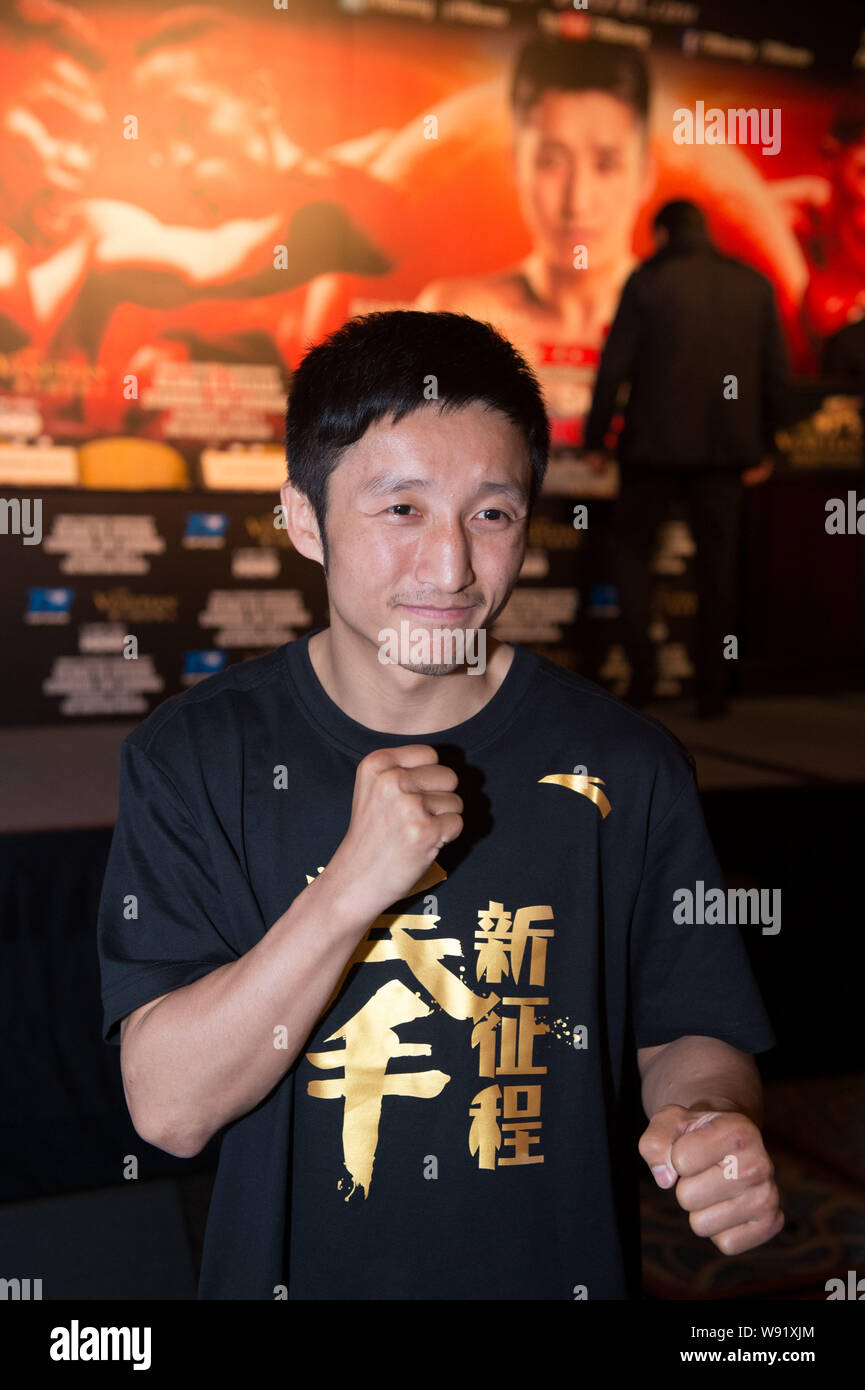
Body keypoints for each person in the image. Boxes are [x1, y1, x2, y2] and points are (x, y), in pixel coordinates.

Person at [97, 310, 782, 1300]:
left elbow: (687, 1026)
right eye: (402, 509)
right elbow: (168, 1107)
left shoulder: (622, 762)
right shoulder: (195, 756)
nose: (453, 567)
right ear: (301, 518)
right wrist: (347, 890)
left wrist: (714, 1118)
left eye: (492, 513)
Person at [584, 200, 790, 716]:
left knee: (631, 556)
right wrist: (769, 443)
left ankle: (643, 677)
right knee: (719, 569)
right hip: (726, 451)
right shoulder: (753, 284)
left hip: (651, 447)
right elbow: (776, 374)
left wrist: (595, 440)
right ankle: (714, 688)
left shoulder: (649, 279)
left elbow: (615, 366)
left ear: (660, 234)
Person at [415, 38, 654, 451]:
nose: (577, 202)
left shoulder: (678, 327)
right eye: (552, 161)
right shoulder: (453, 314)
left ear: (645, 175)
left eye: (607, 164)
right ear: (515, 165)